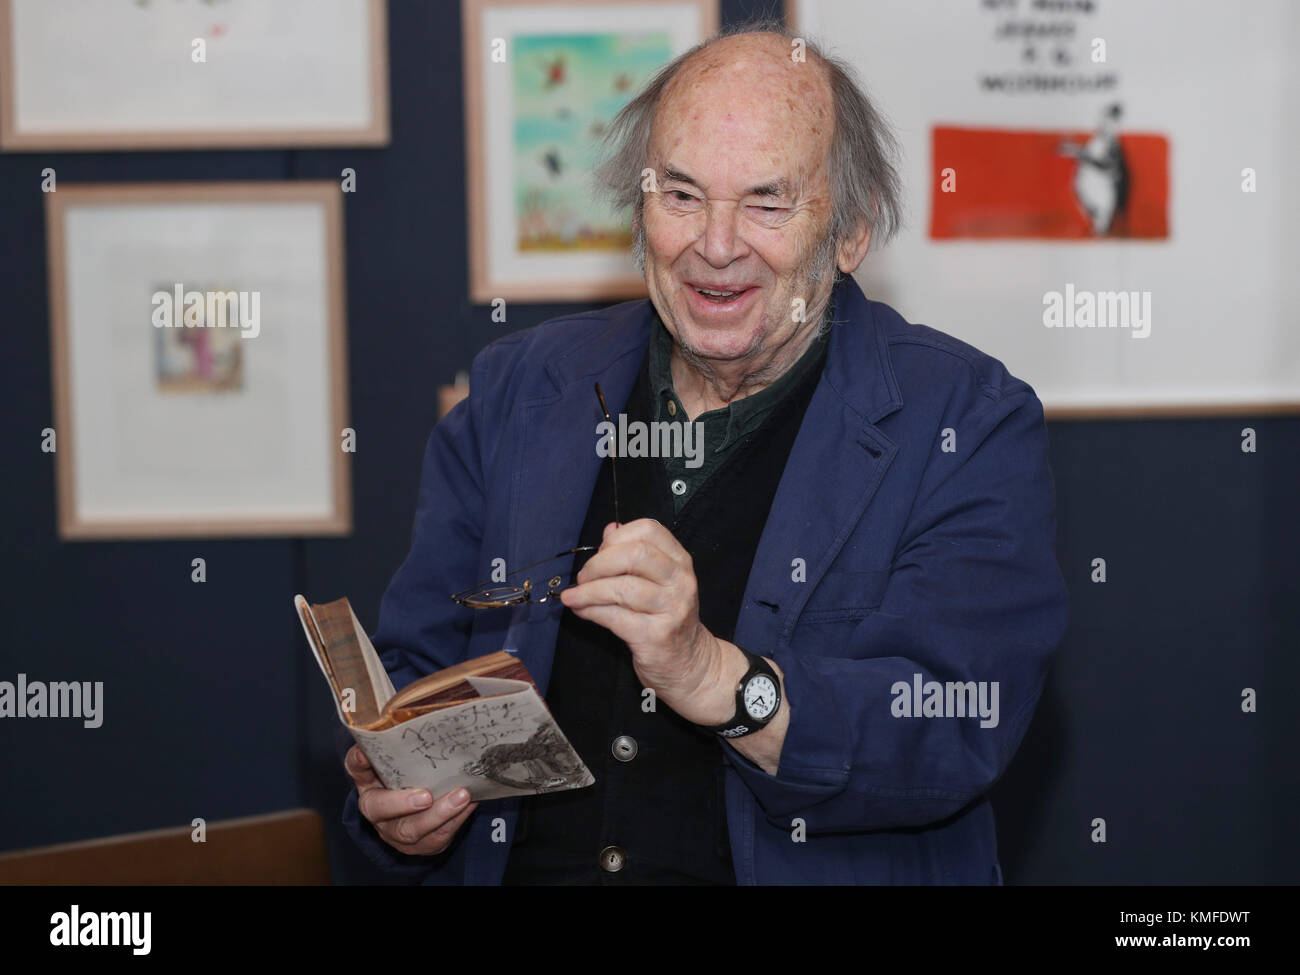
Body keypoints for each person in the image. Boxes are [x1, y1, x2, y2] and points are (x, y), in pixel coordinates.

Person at [340, 22, 1068, 884]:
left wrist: (713, 673)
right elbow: (416, 674)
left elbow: (955, 727)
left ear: (851, 232)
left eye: (767, 201)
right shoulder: (519, 390)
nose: (715, 246)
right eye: (681, 195)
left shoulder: (966, 423)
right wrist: (393, 802)